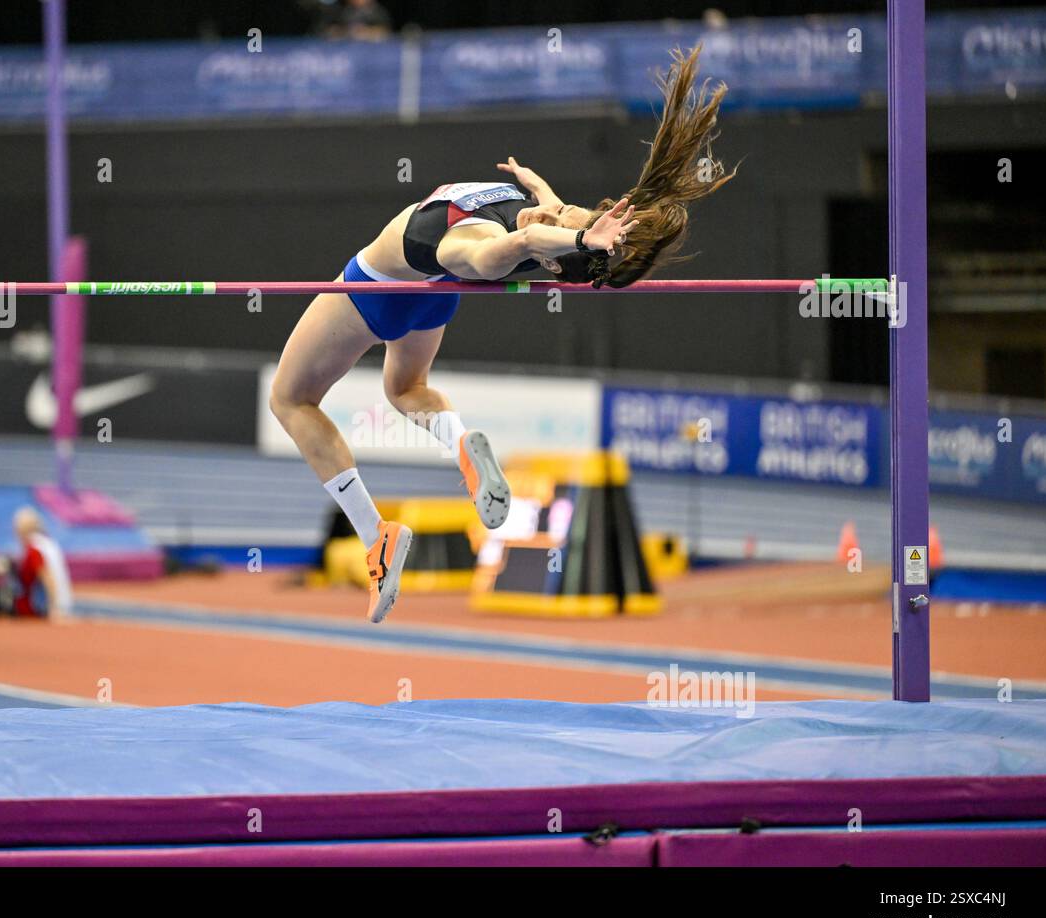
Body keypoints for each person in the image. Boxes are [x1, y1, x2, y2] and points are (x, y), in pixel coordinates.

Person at [269, 46, 734, 623]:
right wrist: (541, 193)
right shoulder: (549, 213)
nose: (552, 215)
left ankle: (376, 536)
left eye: (560, 227)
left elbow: (511, 250)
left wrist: (578, 242)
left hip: (377, 286)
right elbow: (548, 208)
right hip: (430, 301)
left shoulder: (483, 251)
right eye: (566, 212)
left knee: (290, 399)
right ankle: (463, 445)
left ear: (554, 261)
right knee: (406, 389)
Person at [10, 506, 73, 620]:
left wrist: (55, 606)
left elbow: (47, 577)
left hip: (45, 607)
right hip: (62, 601)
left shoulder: (34, 550)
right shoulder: (48, 543)